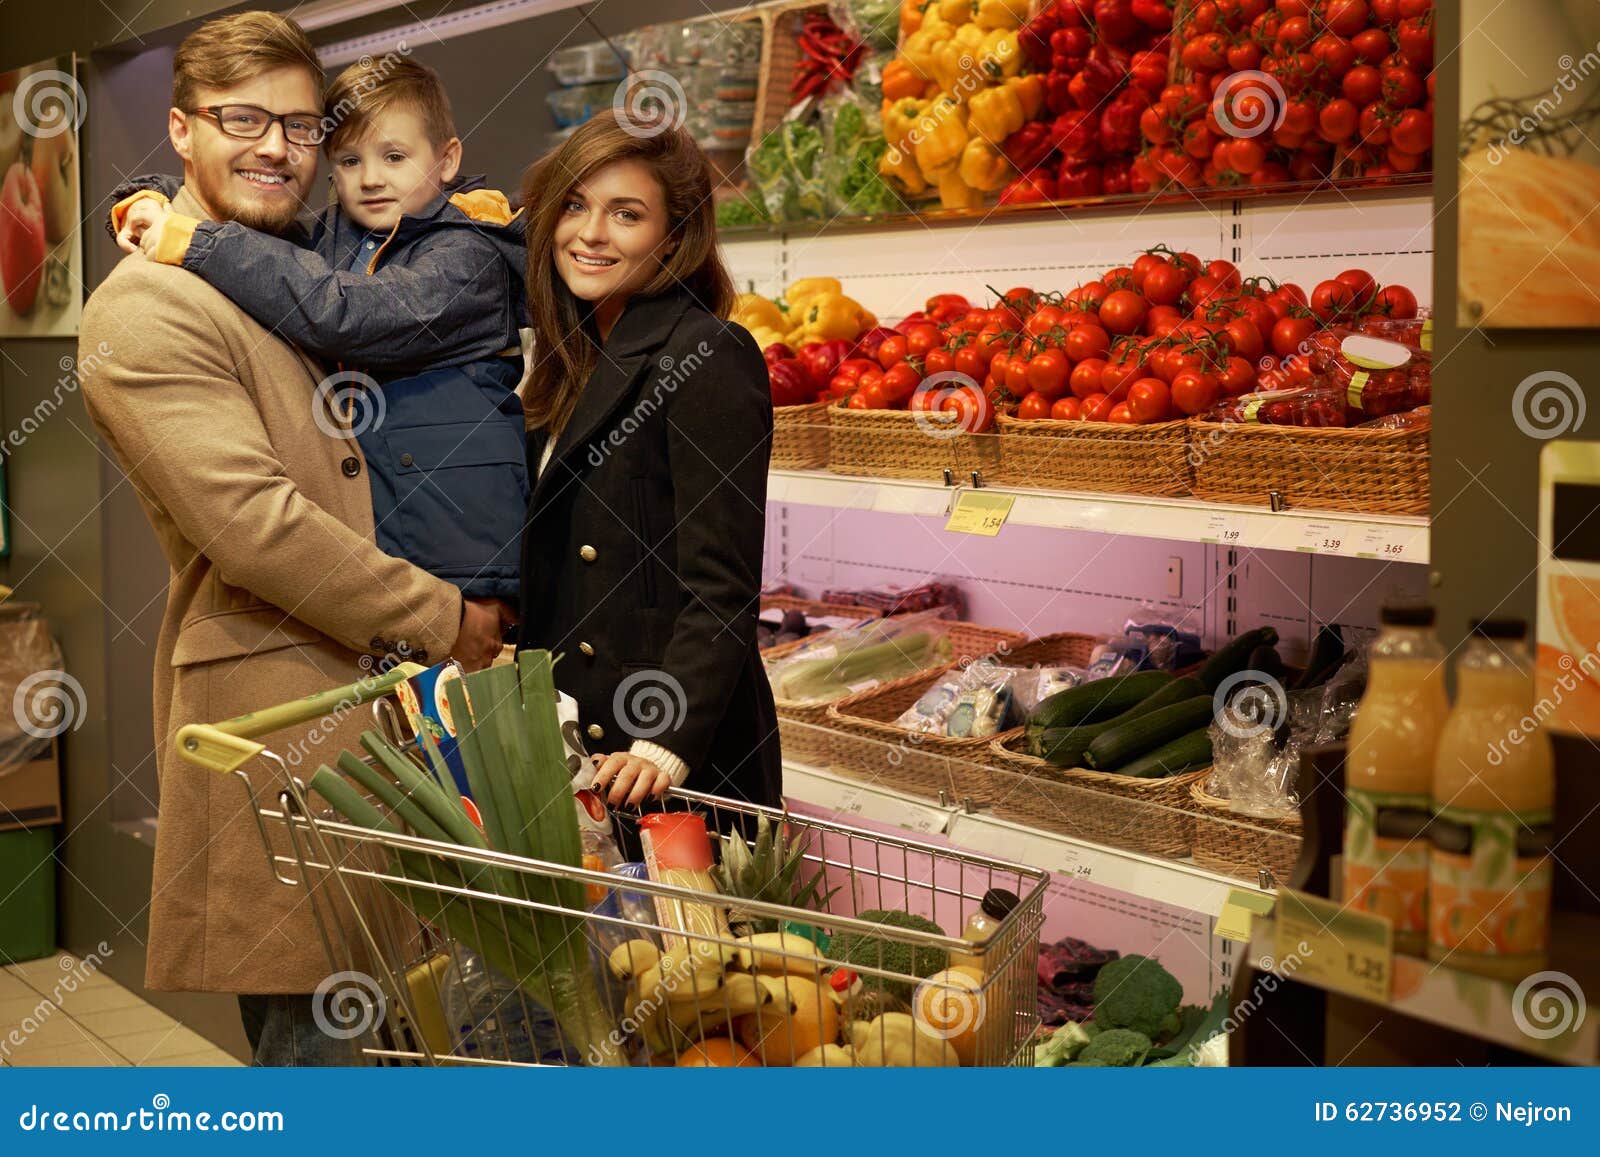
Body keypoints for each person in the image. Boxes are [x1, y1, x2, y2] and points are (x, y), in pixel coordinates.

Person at [76, 11, 503, 1066]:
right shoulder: (147, 308)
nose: (277, 147)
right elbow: (259, 529)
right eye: (244, 119)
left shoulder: (286, 268)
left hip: (384, 725)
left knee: (416, 1050)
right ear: (181, 130)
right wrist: (447, 617)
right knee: (326, 1060)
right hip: (282, 727)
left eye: (302, 127)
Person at [108, 55, 528, 610]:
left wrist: (197, 241)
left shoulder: (470, 256)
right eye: (350, 160)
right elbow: (247, 231)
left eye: (395, 157)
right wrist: (149, 197)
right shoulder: (336, 237)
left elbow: (350, 315)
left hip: (463, 556)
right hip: (387, 546)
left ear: (447, 159)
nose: (372, 178)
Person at [516, 110, 781, 825]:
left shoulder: (707, 356)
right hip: (578, 749)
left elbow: (721, 587)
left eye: (625, 214)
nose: (590, 233)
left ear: (676, 234)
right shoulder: (565, 360)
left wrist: (664, 741)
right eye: (574, 205)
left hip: (663, 764)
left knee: (696, 941)